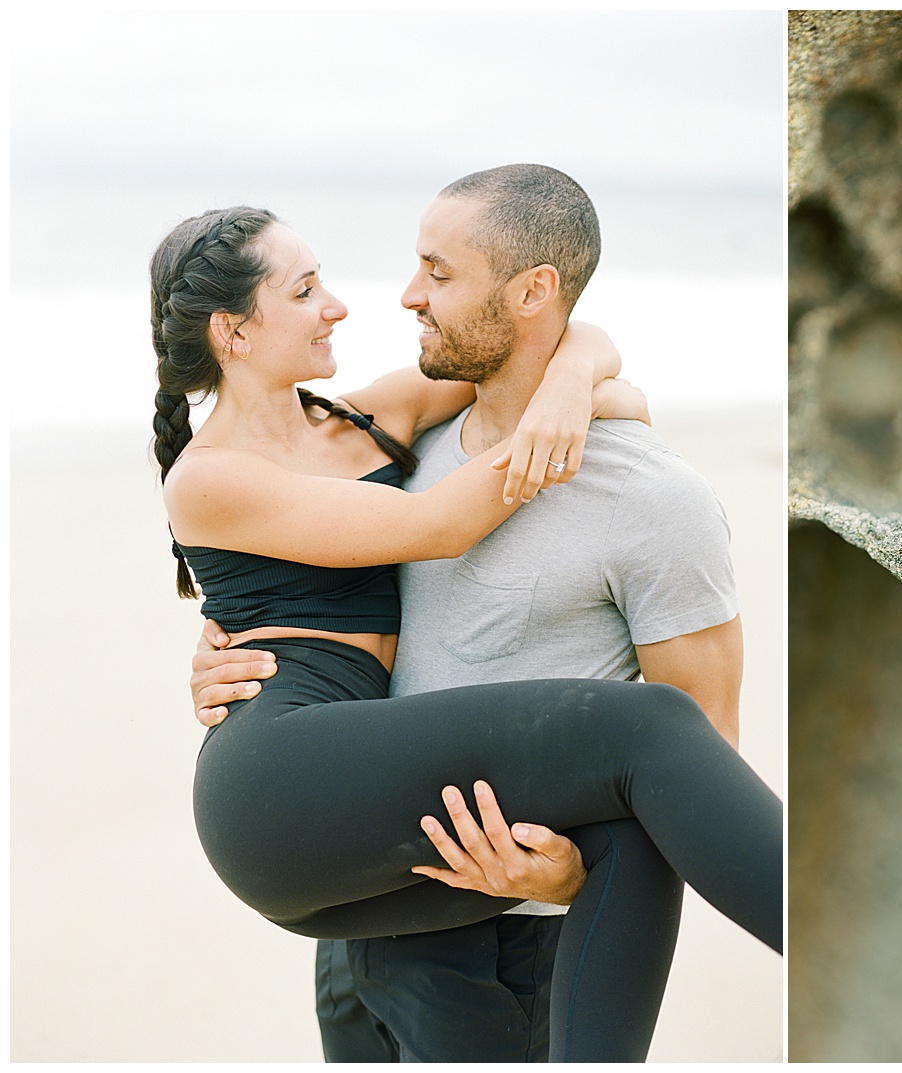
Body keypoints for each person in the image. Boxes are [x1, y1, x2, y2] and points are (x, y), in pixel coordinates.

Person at [155, 181, 781, 1062]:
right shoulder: (206, 477)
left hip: (372, 837)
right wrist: (558, 416)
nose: (339, 305)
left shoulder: (367, 418)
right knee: (653, 730)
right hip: (276, 780)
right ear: (233, 332)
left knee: (627, 833)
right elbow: (438, 528)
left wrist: (567, 381)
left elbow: (579, 342)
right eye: (302, 292)